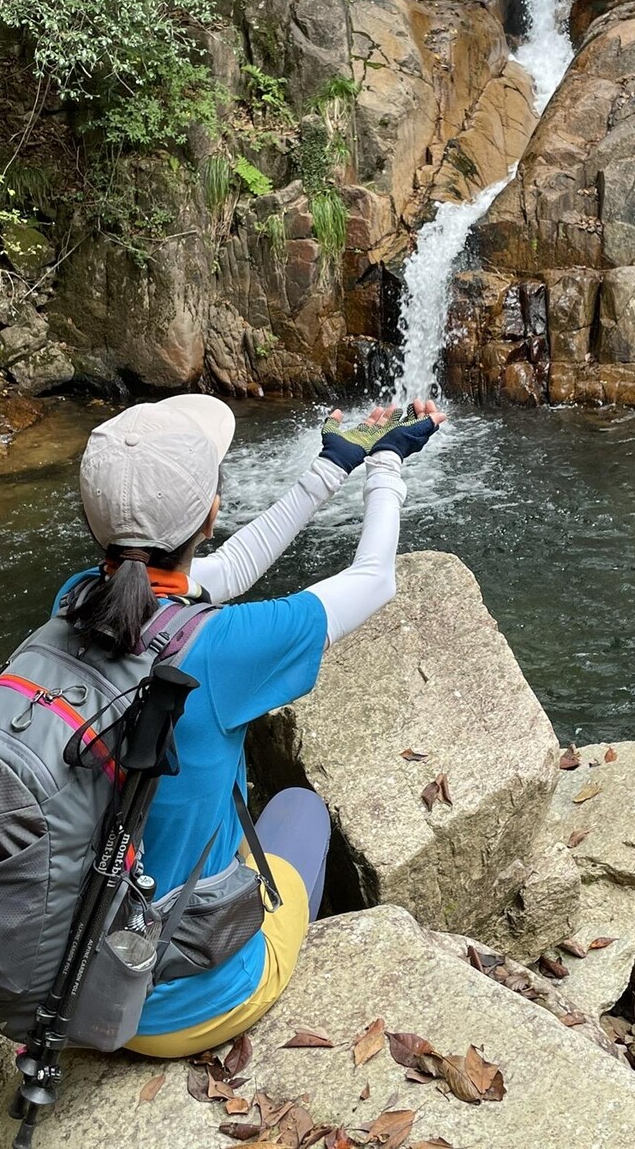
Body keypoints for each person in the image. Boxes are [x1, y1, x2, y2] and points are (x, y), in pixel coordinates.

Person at [53, 392, 445, 1057]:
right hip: (178, 1013)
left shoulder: (77, 602)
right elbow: (375, 579)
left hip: (80, 978)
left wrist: (330, 466)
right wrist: (386, 463)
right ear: (211, 514)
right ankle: (262, 972)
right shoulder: (223, 647)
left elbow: (224, 571)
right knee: (298, 809)